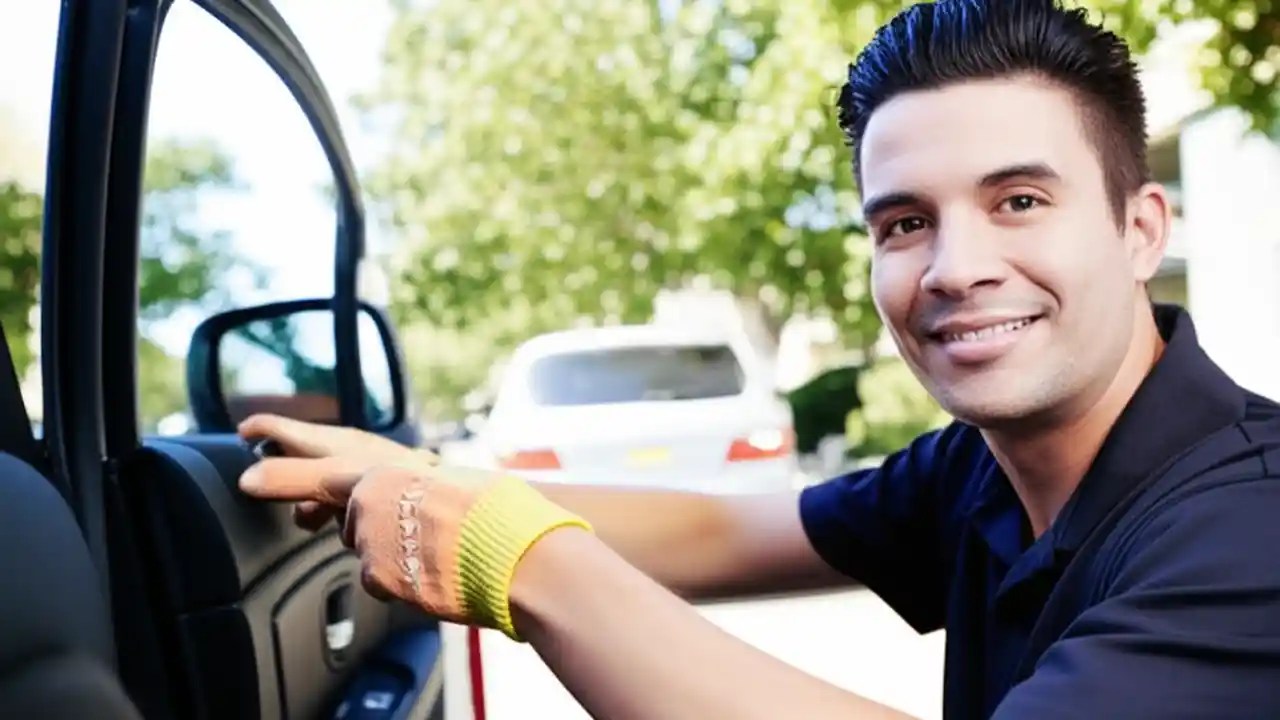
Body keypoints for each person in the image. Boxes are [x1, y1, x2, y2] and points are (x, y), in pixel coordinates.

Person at [237, 0, 1280, 717]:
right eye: (904, 223)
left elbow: (561, 557)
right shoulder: (977, 471)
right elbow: (712, 529)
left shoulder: (1250, 527)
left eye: (1017, 201)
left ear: (1141, 228)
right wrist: (417, 478)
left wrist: (521, 561)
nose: (955, 267)